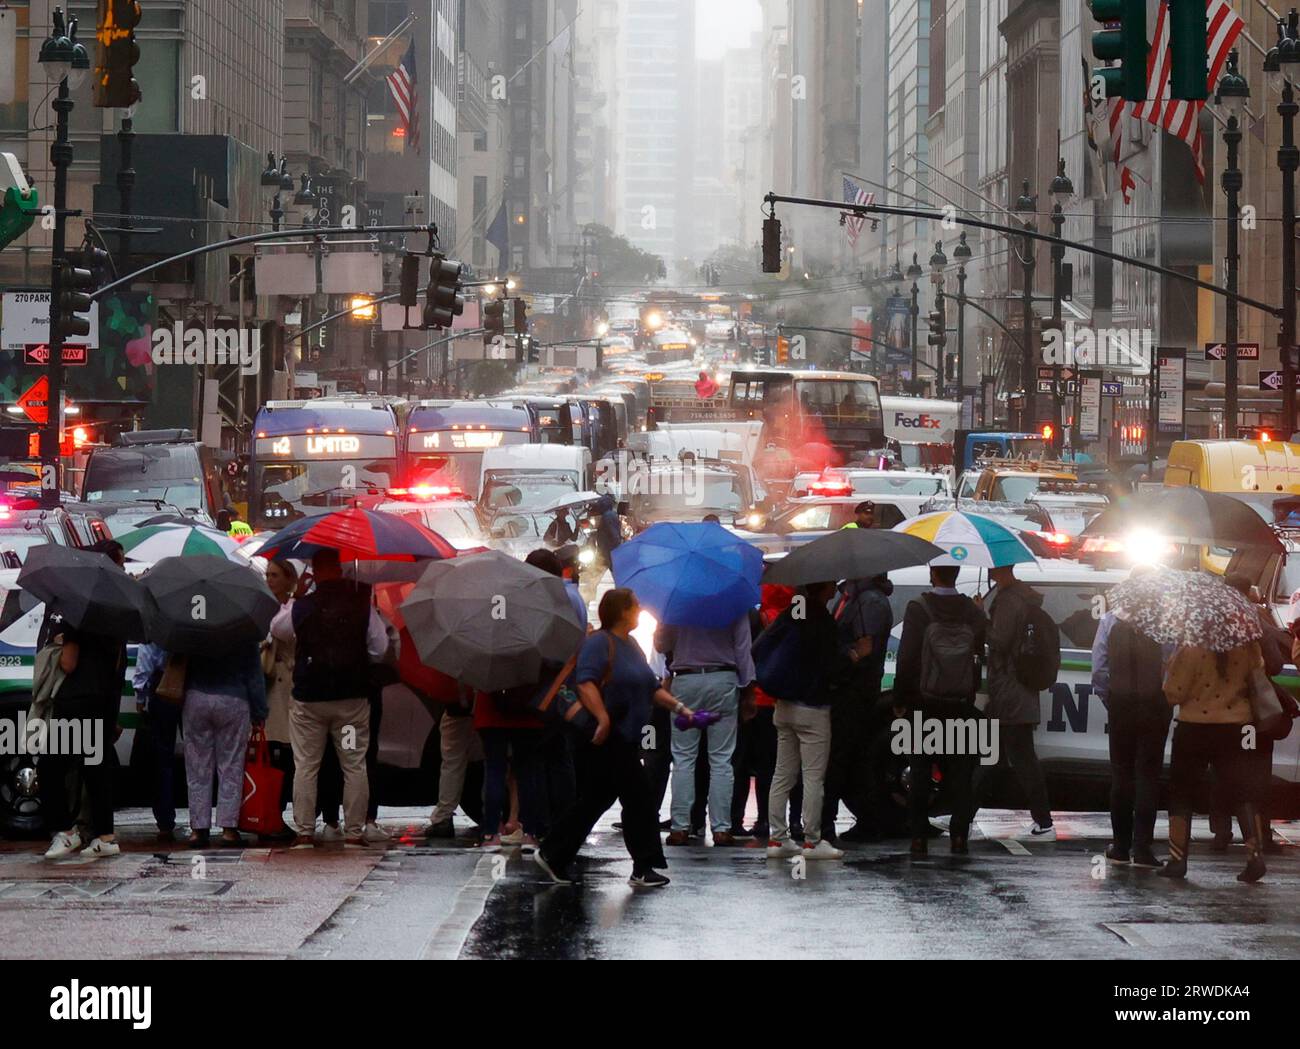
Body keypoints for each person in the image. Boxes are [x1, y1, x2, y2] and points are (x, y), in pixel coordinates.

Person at [536, 589, 696, 888]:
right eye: (635, 605)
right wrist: (603, 718)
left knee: (596, 799)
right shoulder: (599, 643)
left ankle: (554, 852)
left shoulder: (631, 644)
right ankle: (643, 866)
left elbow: (650, 686)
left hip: (622, 736)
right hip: (605, 737)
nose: (639, 609)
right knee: (639, 795)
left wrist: (679, 707)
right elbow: (585, 683)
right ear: (621, 611)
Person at [270, 547, 389, 846]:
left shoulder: (304, 605)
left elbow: (278, 630)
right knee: (353, 763)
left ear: (316, 571)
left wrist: (298, 596)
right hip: (350, 702)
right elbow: (379, 647)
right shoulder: (361, 601)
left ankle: (305, 831)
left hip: (310, 702)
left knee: (307, 764)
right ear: (339, 568)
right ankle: (353, 832)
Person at [894, 565, 987, 855]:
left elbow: (907, 655)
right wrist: (979, 613)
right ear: (957, 575)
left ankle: (918, 837)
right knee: (961, 771)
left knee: (920, 770)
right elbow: (979, 653)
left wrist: (901, 697)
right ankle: (958, 836)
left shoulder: (919, 608)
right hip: (959, 703)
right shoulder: (971, 611)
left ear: (933, 574)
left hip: (924, 703)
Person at [1160, 639, 1268, 882]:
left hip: (1194, 729)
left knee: (1181, 793)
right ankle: (1255, 857)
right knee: (1243, 793)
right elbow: (1257, 675)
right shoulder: (1248, 647)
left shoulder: (1190, 648)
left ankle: (1177, 860)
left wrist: (1170, 667)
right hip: (1237, 729)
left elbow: (1173, 693)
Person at [762, 581, 846, 861]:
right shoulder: (823, 620)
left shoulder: (791, 614)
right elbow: (834, 665)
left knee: (782, 773)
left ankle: (777, 838)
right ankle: (812, 841)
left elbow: (760, 645)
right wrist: (856, 654)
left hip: (784, 704)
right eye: (832, 585)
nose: (835, 589)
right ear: (822, 589)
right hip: (813, 706)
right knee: (813, 776)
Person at [656, 612, 755, 847]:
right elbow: (743, 650)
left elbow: (662, 644)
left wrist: (664, 622)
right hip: (723, 679)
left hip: (686, 681)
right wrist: (748, 689)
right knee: (721, 758)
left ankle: (680, 827)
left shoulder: (679, 603)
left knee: (683, 758)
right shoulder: (733, 602)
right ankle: (721, 829)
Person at [973, 563, 1055, 840]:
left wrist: (981, 616)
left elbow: (999, 640)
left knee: (1016, 757)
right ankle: (963, 813)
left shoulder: (1009, 601)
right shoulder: (1021, 596)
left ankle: (1044, 822)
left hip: (1011, 689)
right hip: (1017, 690)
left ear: (998, 570)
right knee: (997, 755)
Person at [1092, 593, 1170, 869]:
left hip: (1122, 707)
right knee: (1149, 776)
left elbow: (1099, 669)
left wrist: (1110, 699)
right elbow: (1171, 667)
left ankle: (1120, 846)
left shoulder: (1111, 620)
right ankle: (1143, 847)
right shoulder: (1165, 622)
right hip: (1154, 707)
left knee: (1121, 774)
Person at [41, 617, 127, 860]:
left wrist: (58, 646)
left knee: (49, 766)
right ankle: (105, 837)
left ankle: (66, 831)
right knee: (95, 770)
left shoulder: (76, 619)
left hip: (75, 702)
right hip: (102, 703)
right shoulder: (116, 625)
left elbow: (68, 663)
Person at [824, 573, 895, 843]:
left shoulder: (871, 601)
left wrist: (845, 657)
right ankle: (863, 819)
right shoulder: (851, 596)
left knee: (847, 757)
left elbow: (866, 650)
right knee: (848, 757)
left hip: (856, 690)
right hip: (845, 688)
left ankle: (865, 820)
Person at [181, 642, 268, 847]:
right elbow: (254, 675)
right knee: (231, 765)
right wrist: (259, 711)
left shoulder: (193, 625)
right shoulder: (243, 628)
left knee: (197, 766)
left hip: (196, 698)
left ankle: (198, 829)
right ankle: (229, 829)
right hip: (234, 700)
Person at [261, 559, 299, 836]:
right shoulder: (263, 608)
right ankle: (271, 814)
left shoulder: (295, 608)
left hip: (290, 688)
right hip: (271, 689)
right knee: (274, 755)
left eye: (275, 575)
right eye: (268, 574)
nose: (269, 579)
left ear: (289, 579)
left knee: (290, 756)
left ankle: (282, 812)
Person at [132, 641, 178, 842]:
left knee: (163, 760)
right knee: (200, 763)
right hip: (195, 686)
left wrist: (140, 697)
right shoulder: (196, 618)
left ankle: (165, 823)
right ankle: (200, 826)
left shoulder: (157, 621)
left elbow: (145, 661)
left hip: (163, 689)